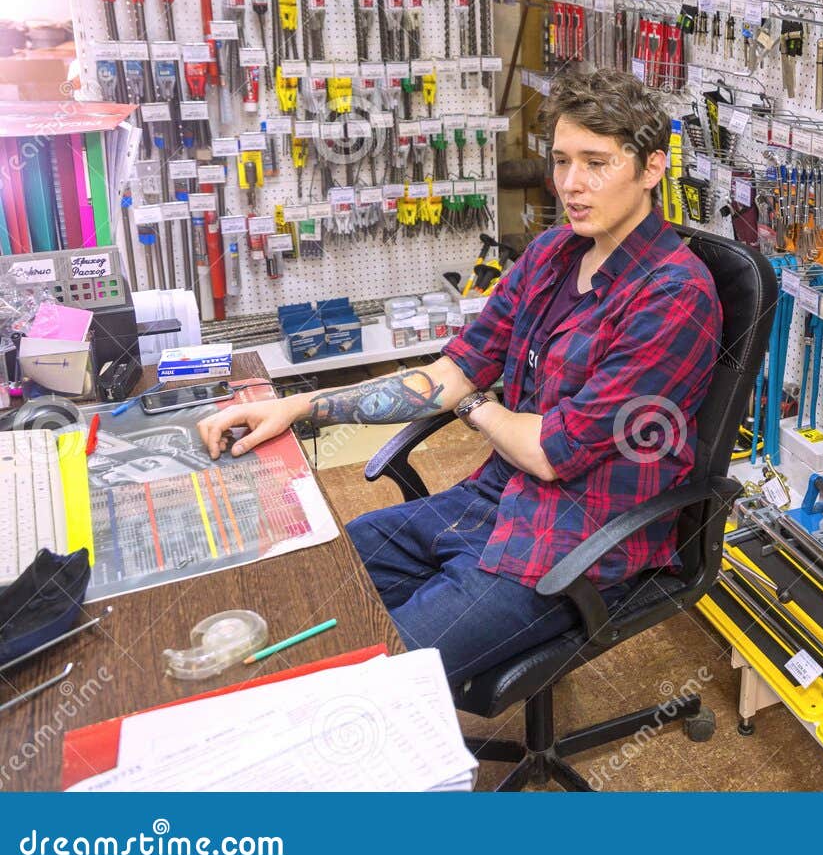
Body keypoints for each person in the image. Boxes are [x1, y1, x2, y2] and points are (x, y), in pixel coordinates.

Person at [198, 69, 724, 683]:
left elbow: (549, 454)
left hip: (573, 542)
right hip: (489, 500)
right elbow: (449, 371)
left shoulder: (674, 297)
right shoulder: (554, 254)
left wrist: (472, 403)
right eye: (560, 161)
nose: (572, 185)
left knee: (382, 678)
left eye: (597, 163)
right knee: (306, 583)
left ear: (653, 167)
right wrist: (298, 407)